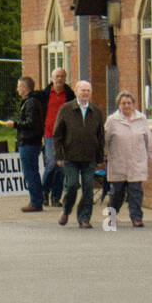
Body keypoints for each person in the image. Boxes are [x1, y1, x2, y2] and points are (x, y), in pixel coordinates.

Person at [104, 90, 152, 227]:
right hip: (118, 162)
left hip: (137, 162)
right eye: (123, 103)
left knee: (136, 193)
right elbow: (105, 141)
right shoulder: (112, 121)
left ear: (134, 104)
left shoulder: (141, 119)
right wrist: (102, 157)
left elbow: (149, 141)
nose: (126, 106)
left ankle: (136, 218)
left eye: (129, 103)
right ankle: (110, 217)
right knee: (117, 193)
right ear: (119, 105)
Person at [52, 80, 105, 229]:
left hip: (89, 157)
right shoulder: (66, 109)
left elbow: (101, 136)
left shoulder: (96, 112)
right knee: (72, 185)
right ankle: (66, 210)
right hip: (70, 157)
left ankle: (84, 218)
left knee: (88, 188)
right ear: (76, 91)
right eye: (83, 90)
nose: (85, 93)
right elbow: (57, 135)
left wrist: (100, 157)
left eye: (88, 90)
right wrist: (58, 155)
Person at [3, 75, 46, 211]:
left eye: (18, 86)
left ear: (24, 88)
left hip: (29, 142)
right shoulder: (33, 101)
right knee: (33, 171)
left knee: (30, 172)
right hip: (32, 141)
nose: (17, 89)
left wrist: (15, 124)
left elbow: (31, 123)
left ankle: (35, 201)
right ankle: (37, 199)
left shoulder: (31, 102)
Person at [40, 68, 74, 207]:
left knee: (61, 167)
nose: (59, 79)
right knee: (52, 163)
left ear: (65, 78)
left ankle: (56, 197)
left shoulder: (70, 95)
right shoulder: (45, 94)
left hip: (65, 135)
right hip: (49, 134)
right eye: (57, 76)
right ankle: (44, 192)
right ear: (52, 78)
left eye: (62, 76)